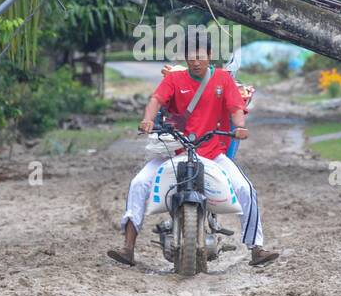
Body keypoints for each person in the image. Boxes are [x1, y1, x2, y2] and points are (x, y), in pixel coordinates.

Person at [109, 34, 279, 268]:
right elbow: (156, 100)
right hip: (174, 150)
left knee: (244, 188)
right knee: (139, 183)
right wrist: (147, 120)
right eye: (191, 57)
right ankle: (128, 247)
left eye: (200, 57)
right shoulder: (174, 79)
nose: (196, 62)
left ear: (209, 56)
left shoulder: (222, 79)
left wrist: (239, 127)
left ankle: (256, 248)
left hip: (212, 151)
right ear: (185, 59)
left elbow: (235, 107)